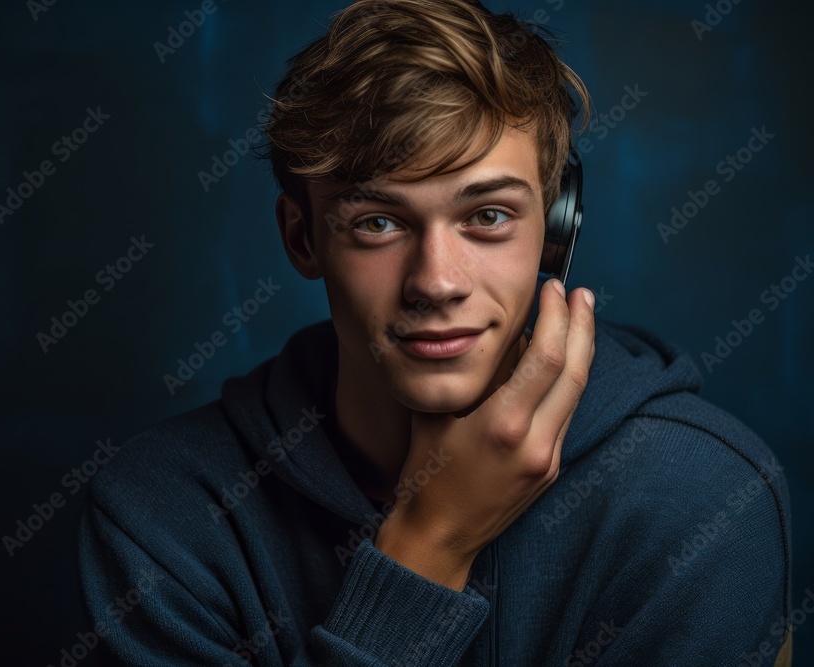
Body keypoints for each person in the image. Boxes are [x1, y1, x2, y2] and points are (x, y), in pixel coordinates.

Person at [78, 1, 793, 664]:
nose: (436, 281)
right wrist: (429, 542)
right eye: (378, 222)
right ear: (303, 239)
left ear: (557, 229)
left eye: (487, 216)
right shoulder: (163, 515)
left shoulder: (702, 497)